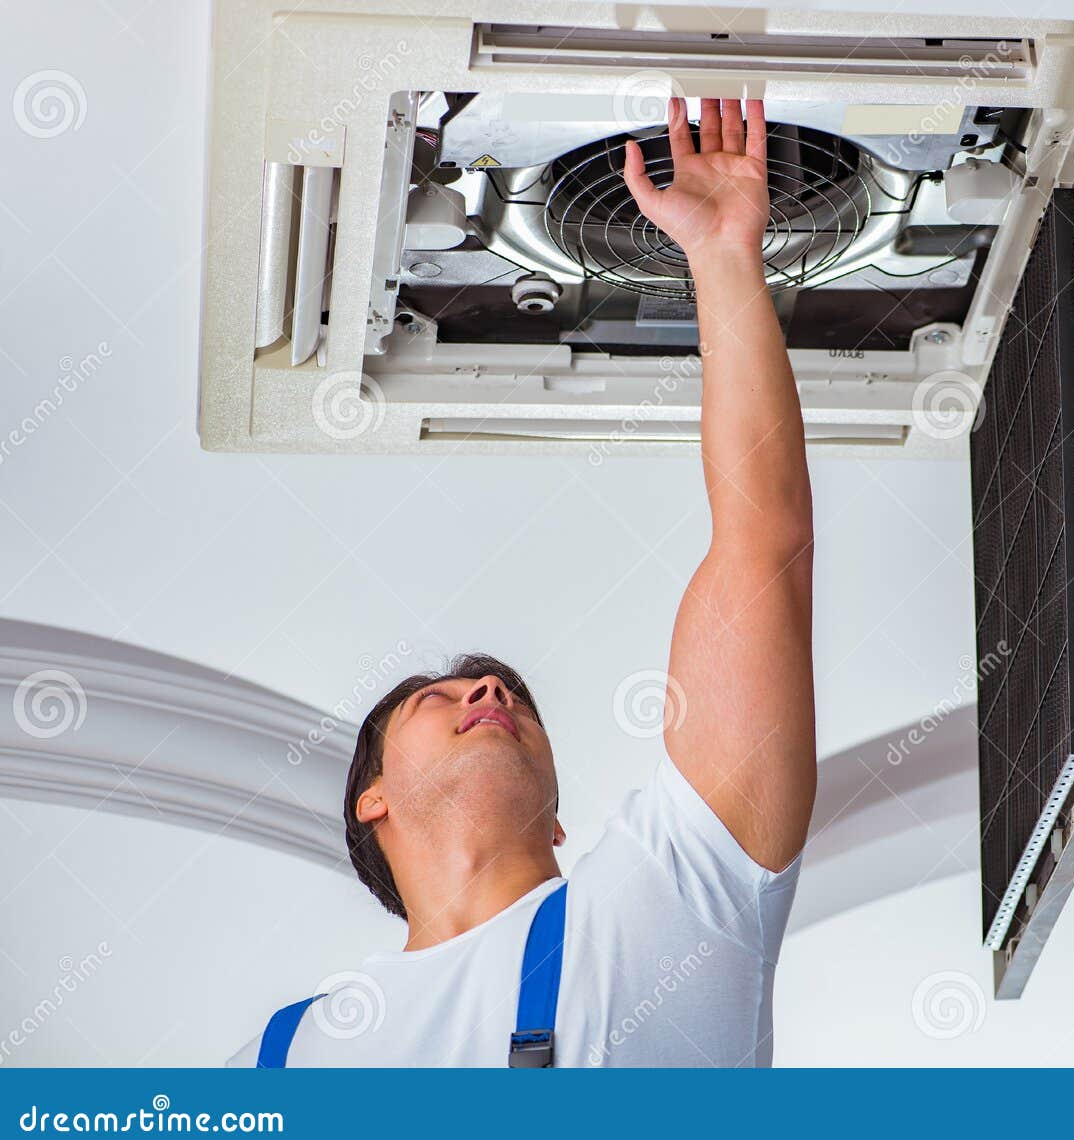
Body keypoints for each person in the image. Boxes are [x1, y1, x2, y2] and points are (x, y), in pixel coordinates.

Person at [227, 97, 816, 1067]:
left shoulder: (671, 896)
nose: (490, 691)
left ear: (556, 816)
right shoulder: (281, 1059)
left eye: (499, 694)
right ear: (369, 799)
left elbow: (765, 547)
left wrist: (720, 254)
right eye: (438, 695)